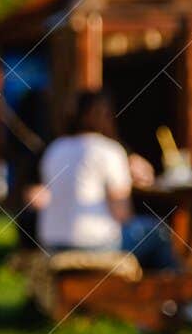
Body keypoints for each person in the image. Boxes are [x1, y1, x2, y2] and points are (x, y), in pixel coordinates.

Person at [30, 89, 177, 271]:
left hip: (52, 243)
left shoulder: (54, 149)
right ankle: (171, 296)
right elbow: (122, 214)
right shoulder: (109, 150)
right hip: (96, 245)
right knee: (159, 232)